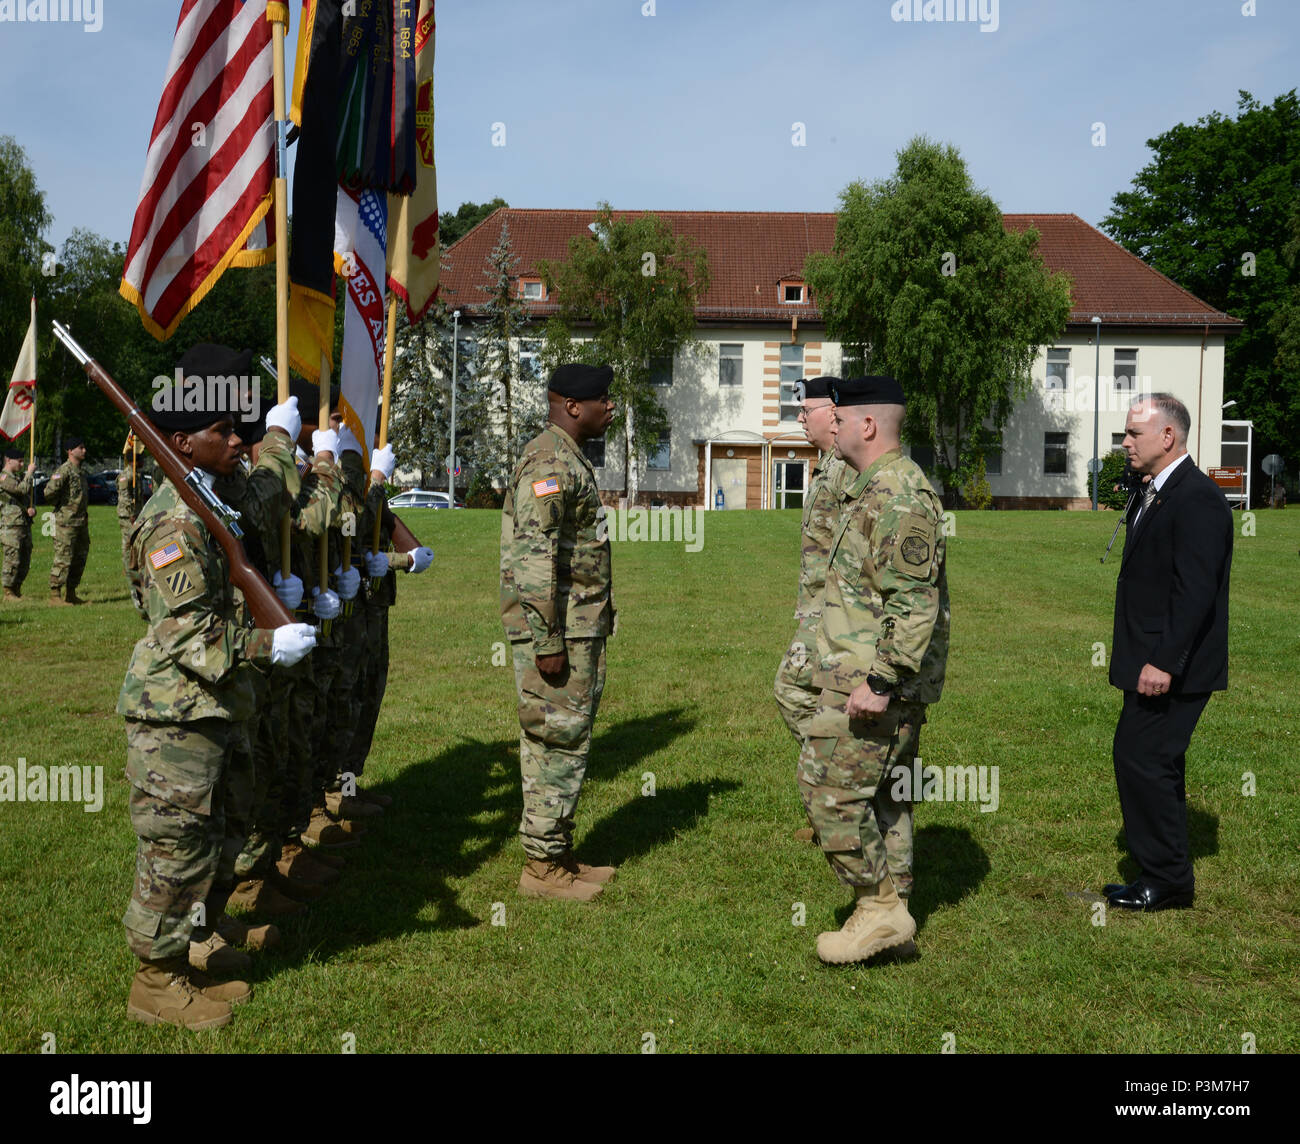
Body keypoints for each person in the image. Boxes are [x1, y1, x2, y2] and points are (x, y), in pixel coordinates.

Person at [119, 382, 317, 1029]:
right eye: (222, 430)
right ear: (181, 443)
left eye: (241, 430)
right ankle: (156, 983)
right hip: (175, 716)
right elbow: (190, 636)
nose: (238, 440)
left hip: (213, 706)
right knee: (175, 849)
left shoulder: (210, 499)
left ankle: (196, 947)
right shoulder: (174, 519)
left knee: (216, 836)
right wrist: (269, 643)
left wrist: (282, 447)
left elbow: (263, 503)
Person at [798, 376, 949, 965]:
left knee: (828, 794)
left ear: (867, 426)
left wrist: (881, 681)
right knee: (885, 796)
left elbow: (913, 603)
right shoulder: (872, 487)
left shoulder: (901, 497)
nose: (830, 426)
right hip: (858, 672)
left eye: (841, 420)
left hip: (877, 681)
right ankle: (894, 911)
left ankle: (879, 905)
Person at [1103, 393, 1231, 912]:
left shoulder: (1196, 498)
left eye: (1134, 434)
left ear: (1168, 437)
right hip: (1151, 659)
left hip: (1173, 665)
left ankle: (1167, 879)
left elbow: (1195, 591)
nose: (1126, 443)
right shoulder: (1155, 490)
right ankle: (1164, 870)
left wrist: (1164, 661)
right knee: (1155, 761)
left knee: (1141, 758)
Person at [501, 362, 617, 901]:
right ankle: (541, 868)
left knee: (566, 738)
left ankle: (557, 851)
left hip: (575, 629)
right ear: (572, 405)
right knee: (555, 739)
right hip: (559, 633)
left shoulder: (565, 456)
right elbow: (533, 559)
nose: (610, 406)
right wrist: (547, 642)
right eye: (602, 399)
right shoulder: (549, 461)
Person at [772, 377, 857, 842]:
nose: (801, 419)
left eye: (807, 411)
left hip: (833, 615)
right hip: (815, 611)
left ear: (833, 411)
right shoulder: (827, 465)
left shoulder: (846, 468)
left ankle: (839, 786)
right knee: (813, 699)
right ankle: (832, 797)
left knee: (792, 690)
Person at [44, 436, 90, 605]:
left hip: (80, 523)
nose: (84, 450)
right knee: (63, 558)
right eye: (81, 447)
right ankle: (55, 595)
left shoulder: (80, 472)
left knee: (79, 558)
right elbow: (48, 492)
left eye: (84, 447)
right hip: (65, 524)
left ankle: (71, 593)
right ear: (70, 451)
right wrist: (61, 507)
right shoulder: (64, 470)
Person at [1, 447, 36, 601]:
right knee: (12, 558)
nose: (22, 464)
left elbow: (24, 498)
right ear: (8, 460)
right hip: (10, 526)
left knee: (25, 558)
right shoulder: (3, 478)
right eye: (20, 461)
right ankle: (8, 591)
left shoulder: (17, 477)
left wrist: (31, 508)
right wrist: (29, 473)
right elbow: (20, 490)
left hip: (23, 524)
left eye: (23, 462)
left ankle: (16, 589)